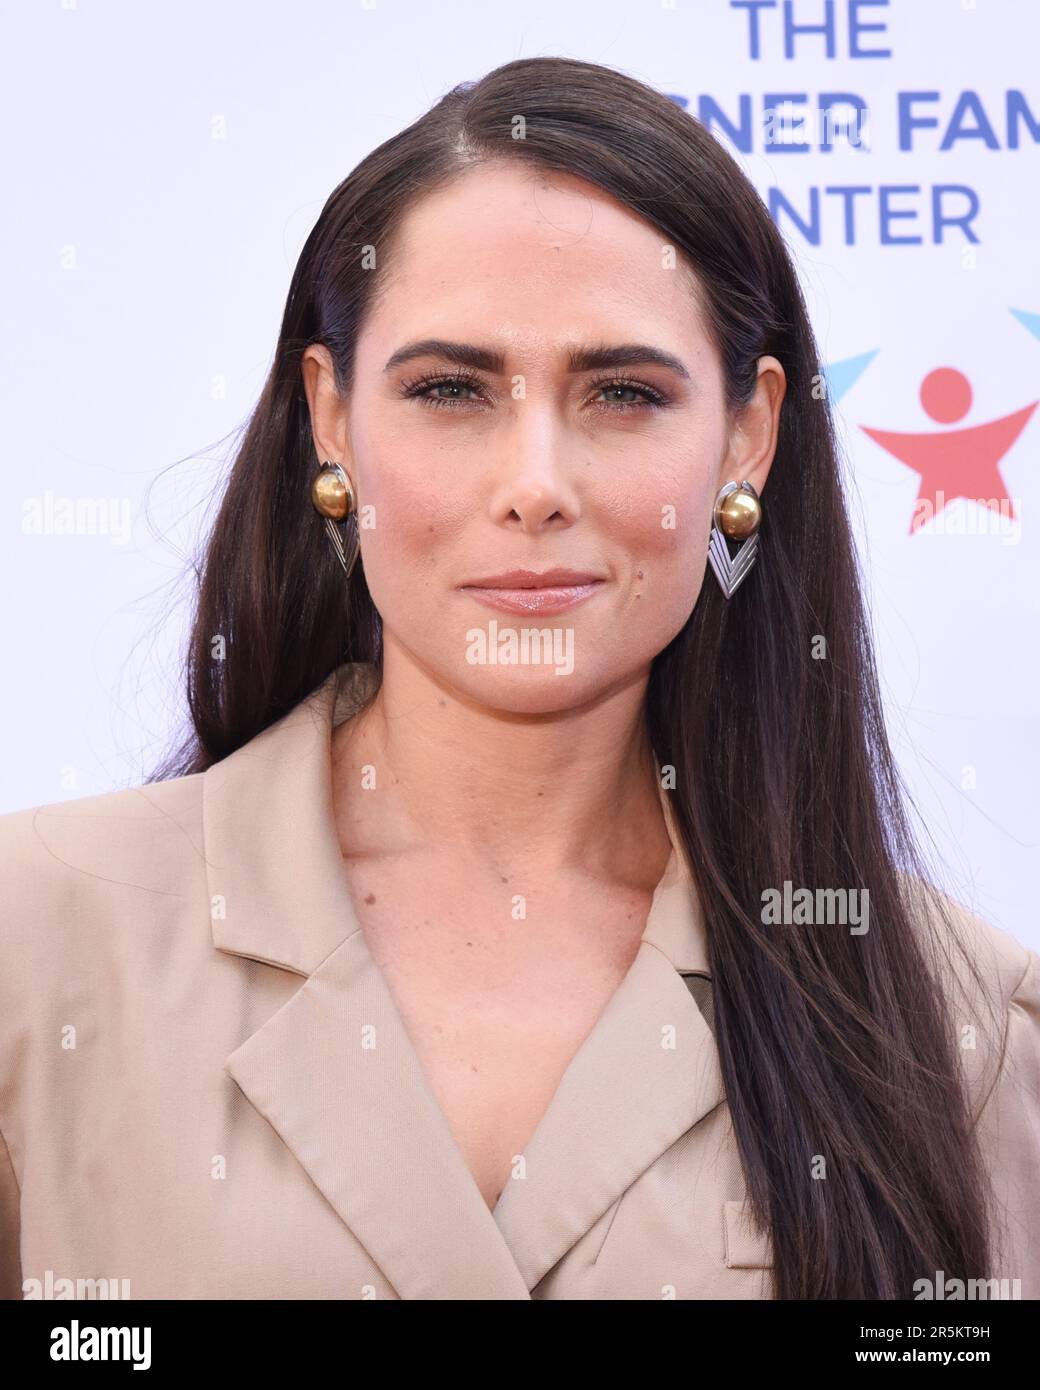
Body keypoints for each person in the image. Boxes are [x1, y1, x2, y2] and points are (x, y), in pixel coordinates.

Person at [1, 56, 1037, 1302]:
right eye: (449, 389)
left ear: (746, 436)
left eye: (621, 393)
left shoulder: (953, 1023)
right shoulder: (40, 938)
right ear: (329, 418)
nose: (535, 480)